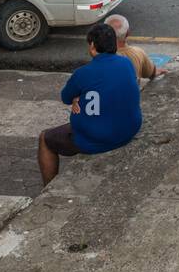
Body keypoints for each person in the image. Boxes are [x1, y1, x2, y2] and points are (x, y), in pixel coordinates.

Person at [37, 23, 142, 186]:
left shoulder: (83, 73)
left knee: (45, 138)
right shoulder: (126, 63)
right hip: (129, 130)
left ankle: (48, 187)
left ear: (92, 46)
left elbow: (65, 97)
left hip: (97, 139)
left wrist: (77, 96)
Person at [105, 14, 161, 86]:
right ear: (127, 33)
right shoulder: (138, 53)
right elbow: (151, 73)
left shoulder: (101, 56)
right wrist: (155, 71)